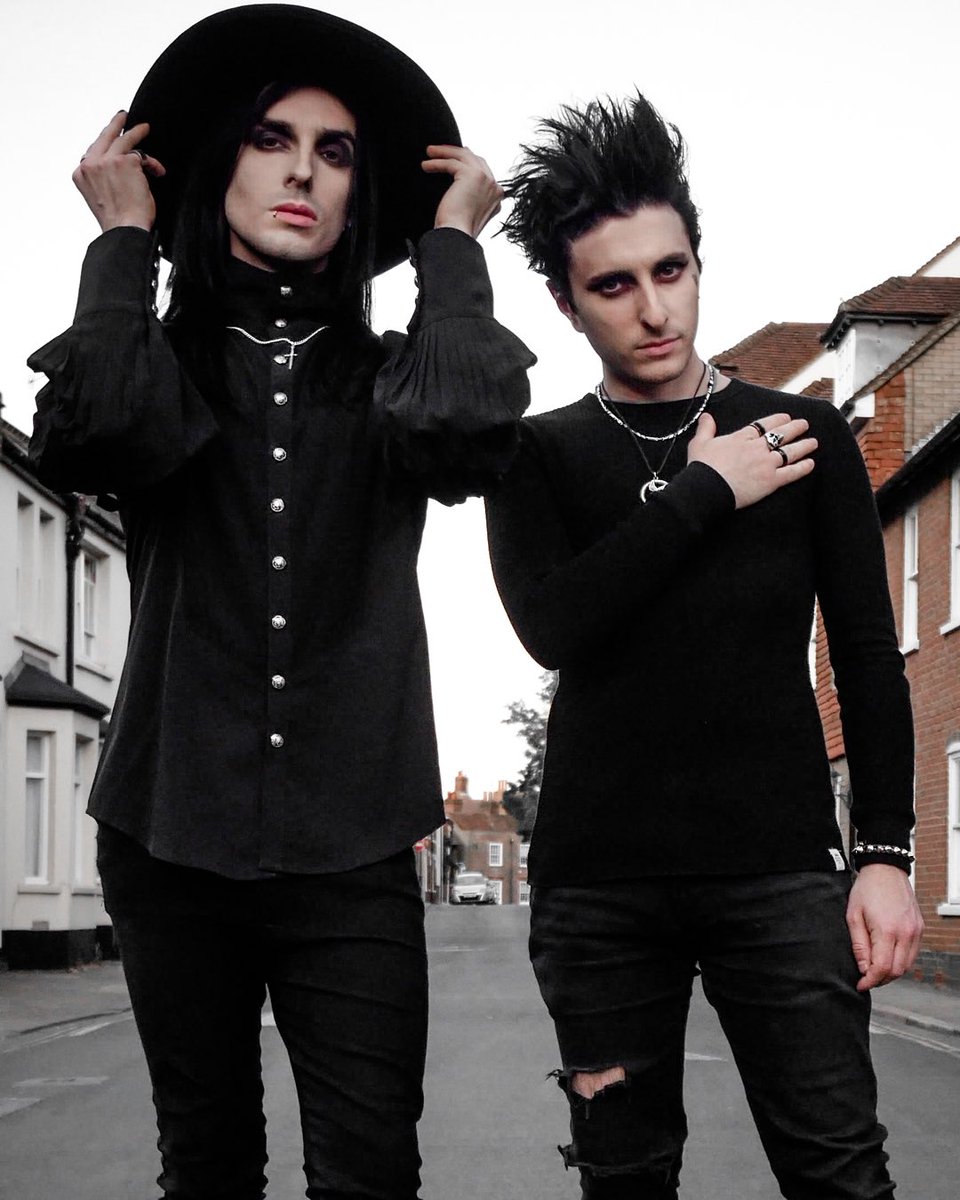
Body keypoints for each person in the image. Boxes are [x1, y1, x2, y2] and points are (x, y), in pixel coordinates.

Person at [27, 7, 533, 1198]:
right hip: (168, 830)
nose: (303, 170)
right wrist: (125, 240)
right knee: (206, 1166)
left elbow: (468, 429)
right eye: (271, 139)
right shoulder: (156, 364)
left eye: (336, 151)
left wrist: (452, 242)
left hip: (355, 842)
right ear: (221, 169)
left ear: (363, 197)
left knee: (371, 1173)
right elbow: (91, 435)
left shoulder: (396, 382)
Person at [485, 93, 923, 1199]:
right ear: (565, 302)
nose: (653, 310)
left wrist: (885, 856)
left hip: (779, 873)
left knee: (841, 1173)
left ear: (696, 260)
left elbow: (868, 654)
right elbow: (553, 625)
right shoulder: (538, 455)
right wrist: (704, 492)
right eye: (613, 286)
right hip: (599, 889)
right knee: (625, 1178)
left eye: (670, 270)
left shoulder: (804, 436)